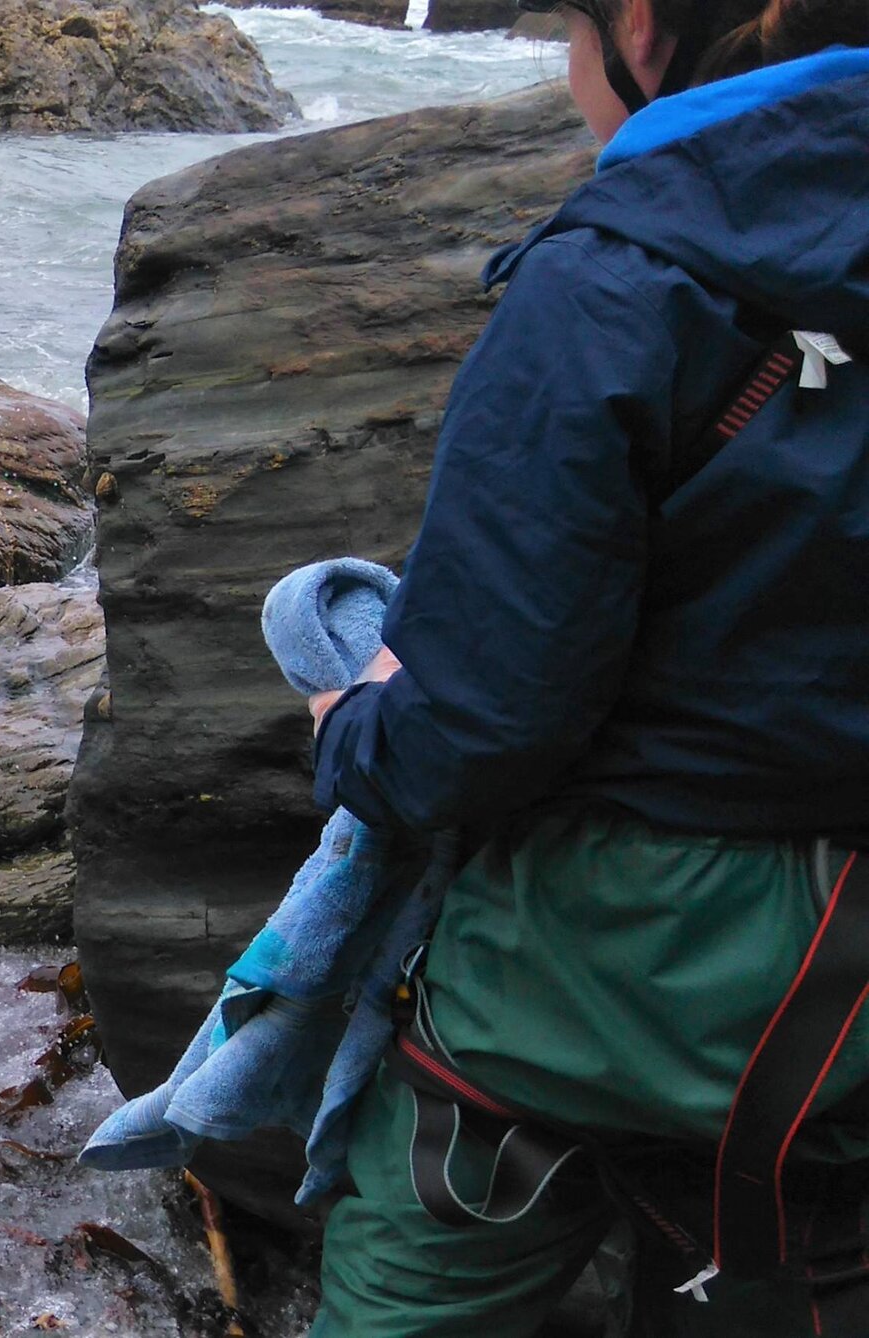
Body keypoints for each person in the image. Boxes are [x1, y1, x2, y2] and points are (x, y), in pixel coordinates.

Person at [302, 1, 869, 1334]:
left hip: (603, 962)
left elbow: (477, 727)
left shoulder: (620, 274)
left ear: (637, 25)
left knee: (426, 1264)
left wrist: (347, 725)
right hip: (833, 1026)